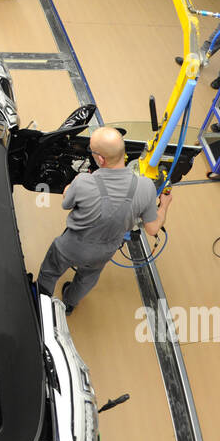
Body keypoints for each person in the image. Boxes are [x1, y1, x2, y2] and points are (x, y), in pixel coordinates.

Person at [36, 127, 173, 314]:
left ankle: (40, 305)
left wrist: (70, 187)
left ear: (100, 159)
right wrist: (164, 205)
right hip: (103, 252)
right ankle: (69, 304)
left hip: (70, 247)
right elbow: (152, 228)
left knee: (50, 272)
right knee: (87, 279)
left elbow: (66, 204)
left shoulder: (83, 181)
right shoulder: (146, 187)